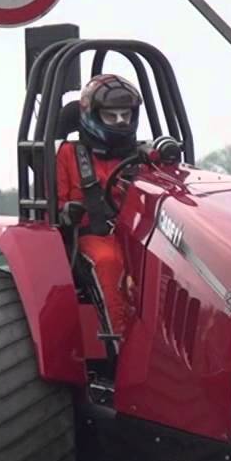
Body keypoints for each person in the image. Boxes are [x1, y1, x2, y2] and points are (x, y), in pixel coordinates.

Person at [55, 73, 145, 346]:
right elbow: (56, 202)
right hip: (90, 235)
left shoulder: (143, 156)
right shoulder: (70, 154)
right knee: (108, 262)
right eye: (111, 115)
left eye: (125, 115)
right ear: (92, 116)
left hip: (136, 234)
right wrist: (68, 212)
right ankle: (120, 344)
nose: (120, 122)